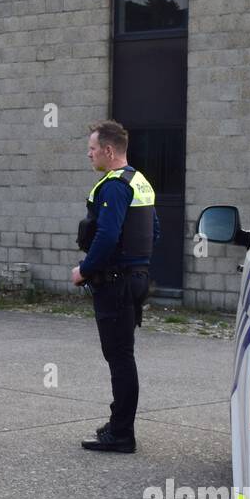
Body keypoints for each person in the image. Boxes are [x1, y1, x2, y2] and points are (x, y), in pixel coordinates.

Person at [71, 121, 158, 454]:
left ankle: (121, 433)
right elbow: (156, 231)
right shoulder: (139, 181)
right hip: (134, 278)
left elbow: (107, 235)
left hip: (116, 282)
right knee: (123, 356)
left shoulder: (114, 187)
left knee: (120, 358)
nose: (89, 153)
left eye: (93, 148)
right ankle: (119, 424)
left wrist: (85, 269)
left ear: (109, 151)